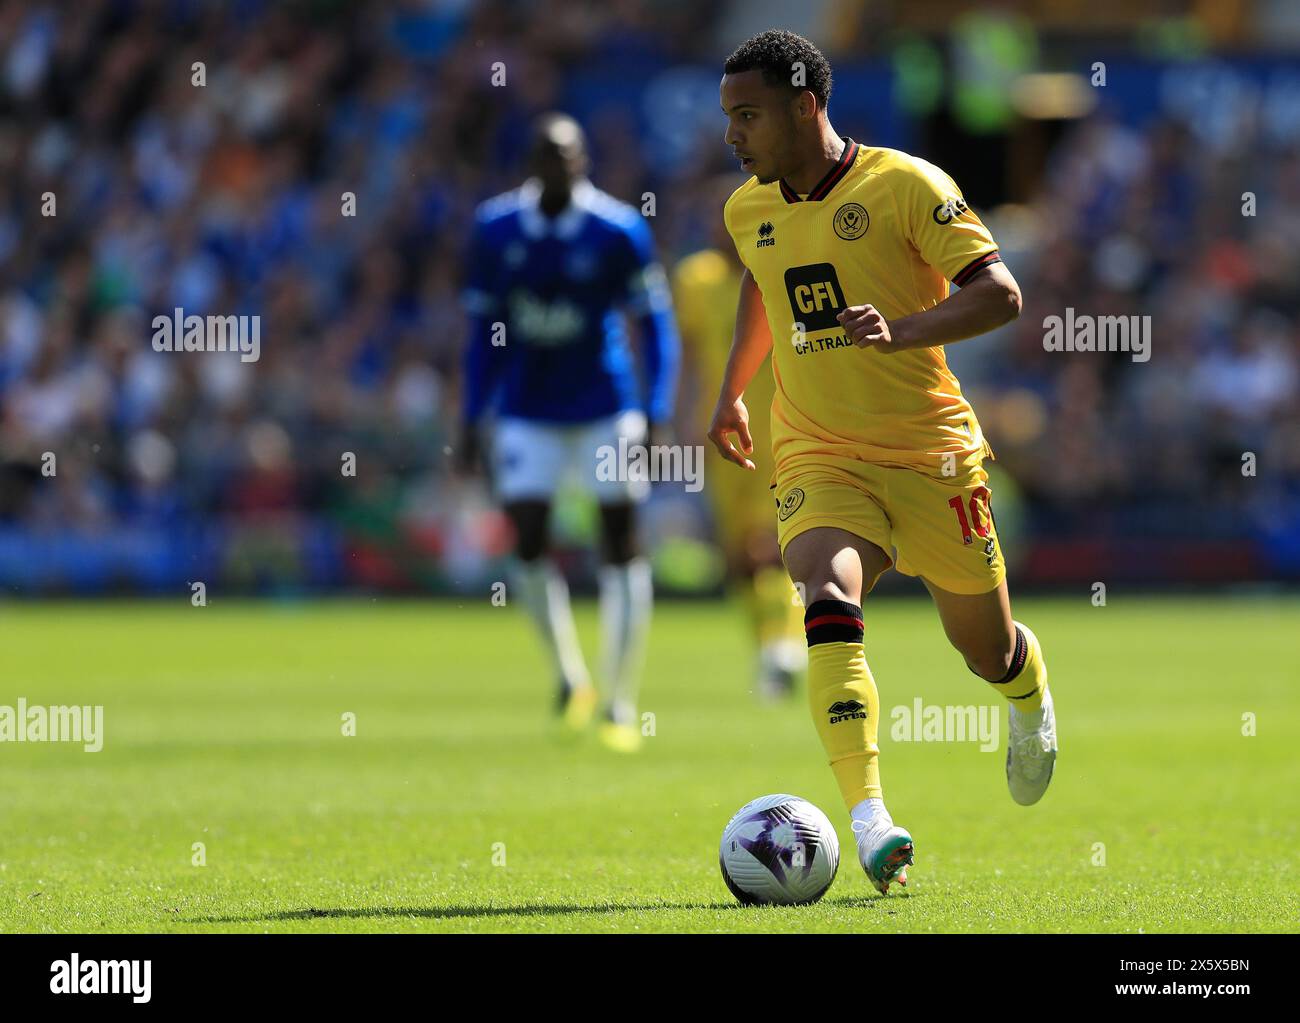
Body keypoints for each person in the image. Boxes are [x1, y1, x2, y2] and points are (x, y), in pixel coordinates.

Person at [708, 30, 1057, 894]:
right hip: (820, 450)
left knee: (986, 649)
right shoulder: (746, 208)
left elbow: (1000, 294)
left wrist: (899, 330)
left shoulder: (906, 185)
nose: (733, 135)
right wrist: (731, 393)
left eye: (748, 115)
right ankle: (870, 820)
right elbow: (764, 277)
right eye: (728, 117)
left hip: (933, 455)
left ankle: (1028, 694)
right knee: (825, 596)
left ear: (805, 106)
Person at [458, 113, 679, 753]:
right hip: (528, 408)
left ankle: (619, 700)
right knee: (526, 537)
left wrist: (656, 409)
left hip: (607, 405)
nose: (557, 165)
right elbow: (481, 334)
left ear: (584, 162)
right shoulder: (495, 230)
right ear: (530, 161)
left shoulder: (618, 230)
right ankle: (568, 677)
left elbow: (656, 324)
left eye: (568, 155)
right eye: (546, 155)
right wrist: (472, 414)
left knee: (620, 538)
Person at [673, 177, 806, 699]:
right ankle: (768, 654)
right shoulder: (695, 279)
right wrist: (680, 416)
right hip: (721, 435)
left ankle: (785, 644)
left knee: (775, 547)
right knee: (738, 557)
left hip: (783, 429)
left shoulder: (778, 274)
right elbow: (688, 359)